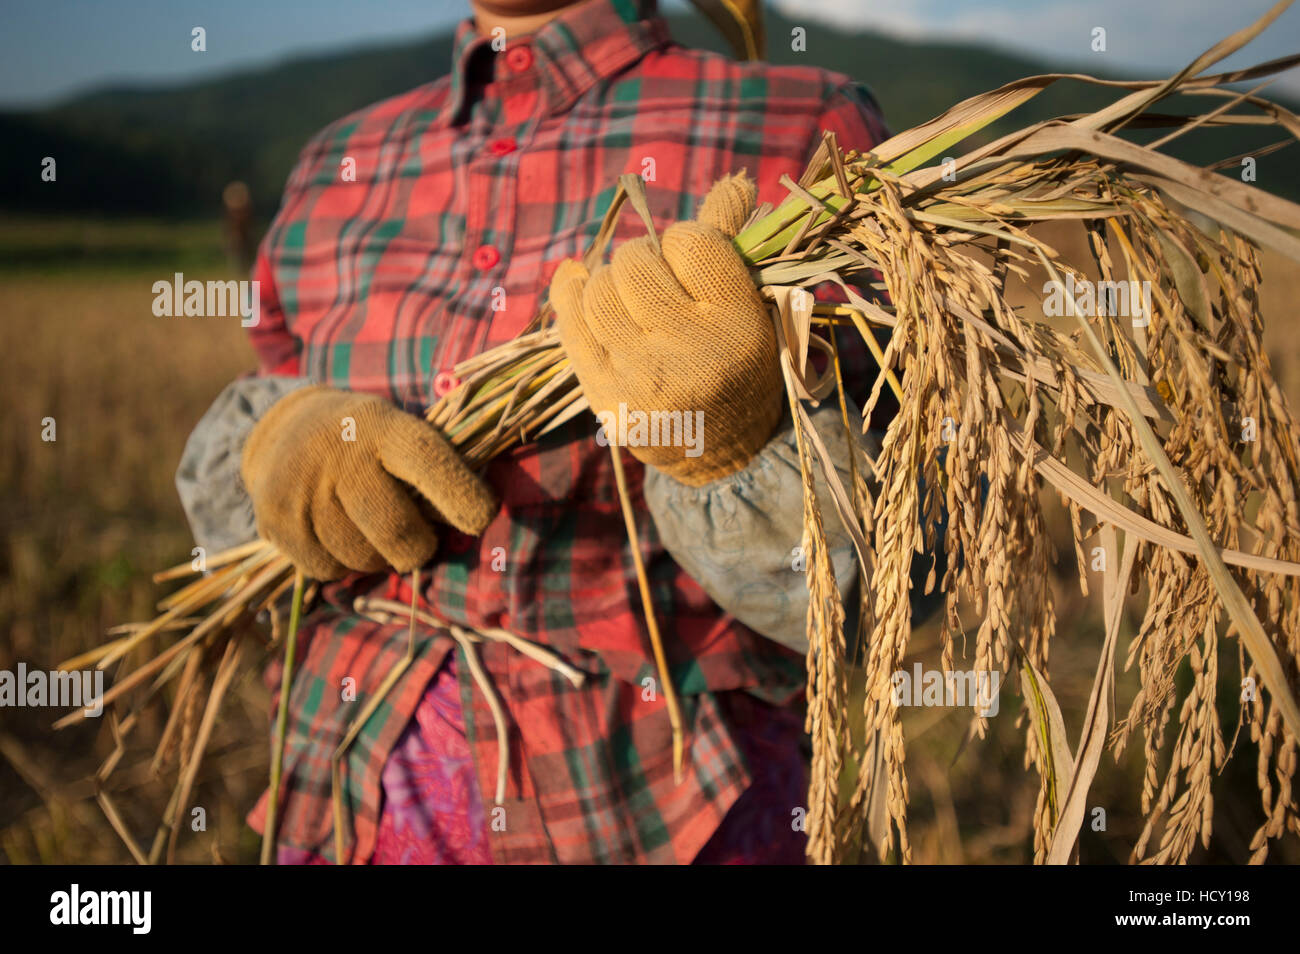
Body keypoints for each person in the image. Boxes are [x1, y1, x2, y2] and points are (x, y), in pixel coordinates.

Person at [176, 0, 889, 864]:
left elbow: (891, 575)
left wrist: (730, 445)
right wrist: (280, 441)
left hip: (677, 810)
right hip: (351, 798)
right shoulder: (336, 163)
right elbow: (256, 440)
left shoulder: (801, 126)